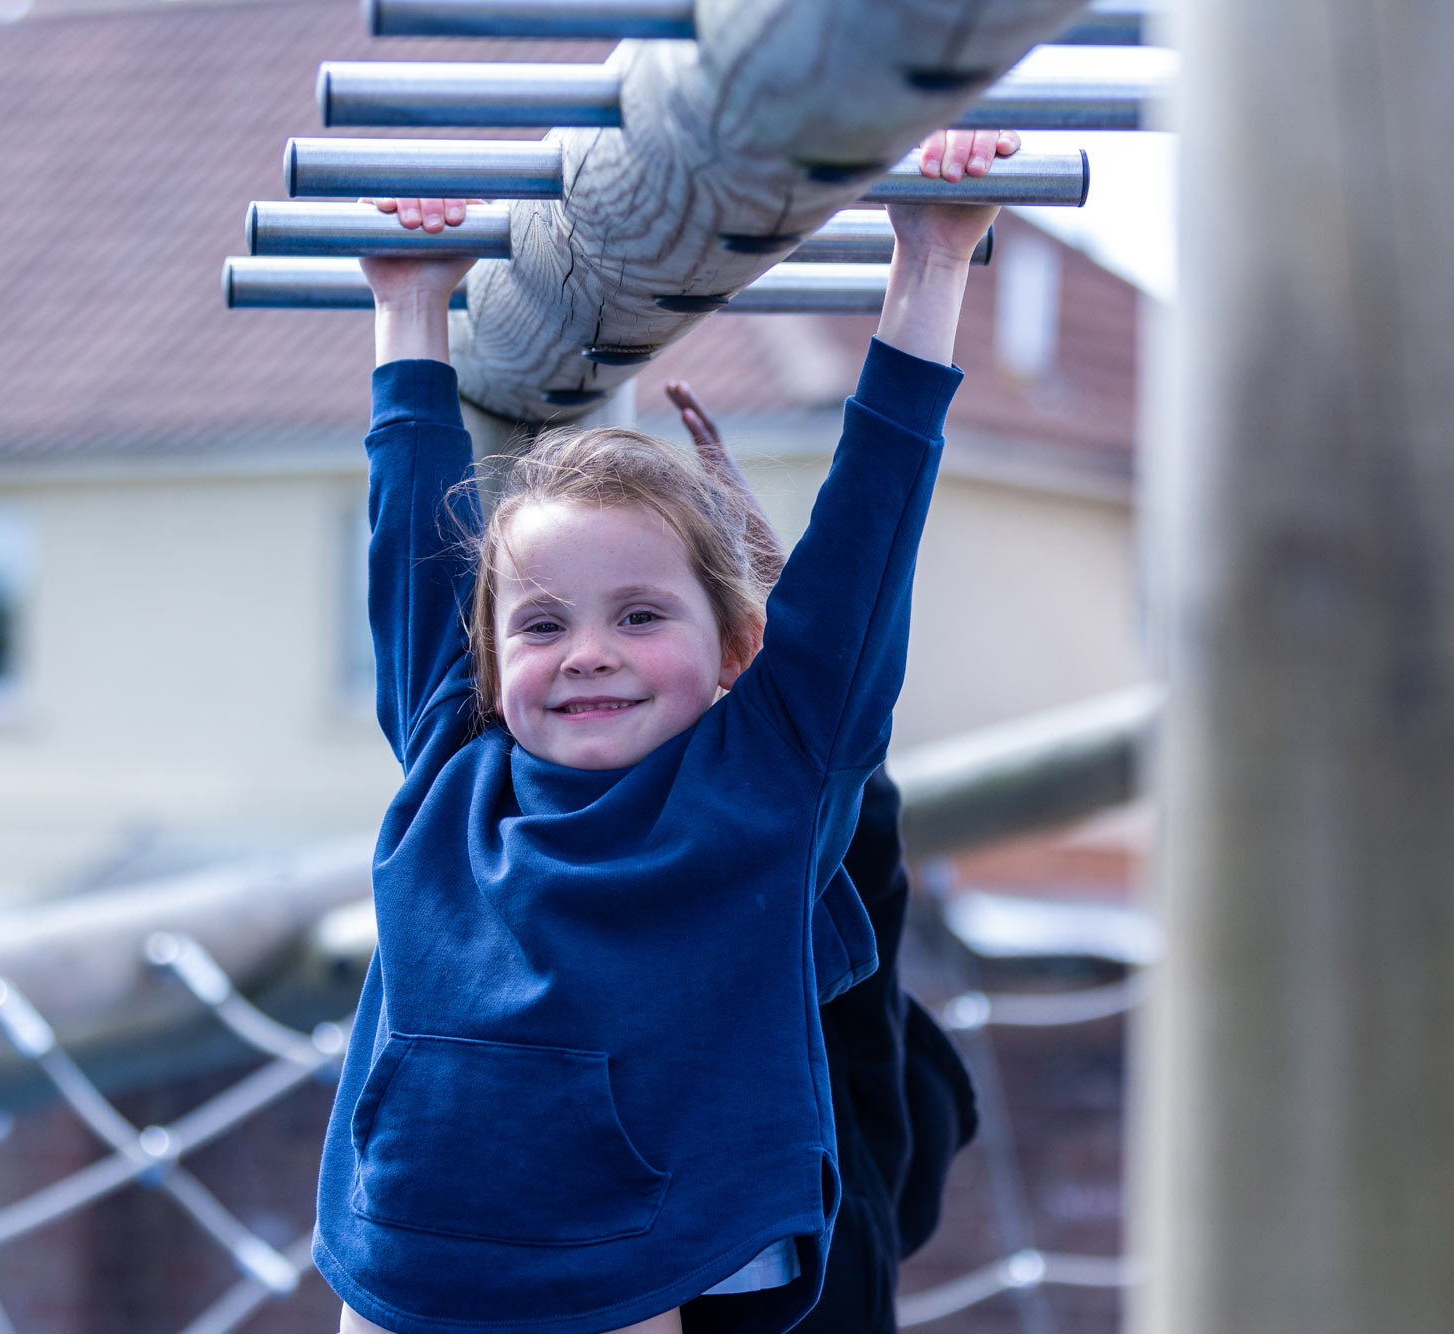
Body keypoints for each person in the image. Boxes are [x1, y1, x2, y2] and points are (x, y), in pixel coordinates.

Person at [318, 128, 1016, 1334]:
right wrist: (408, 304)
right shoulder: (452, 765)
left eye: (638, 615)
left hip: (637, 1263)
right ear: (490, 657)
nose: (586, 650)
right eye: (542, 622)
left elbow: (866, 544)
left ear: (737, 646)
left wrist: (931, 260)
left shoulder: (762, 780)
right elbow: (406, 553)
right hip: (410, 1266)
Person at [659, 385, 979, 1334]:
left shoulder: (801, 843)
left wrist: (773, 602)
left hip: (807, 1266)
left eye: (642, 617)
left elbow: (841, 749)